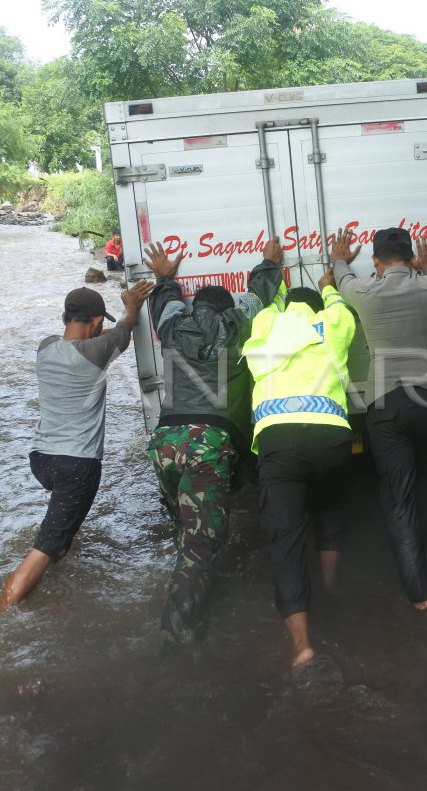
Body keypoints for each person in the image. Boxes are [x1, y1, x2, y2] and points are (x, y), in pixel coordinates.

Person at [142, 239, 283, 646]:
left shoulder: (173, 325)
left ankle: (183, 596)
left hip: (165, 442)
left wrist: (166, 276)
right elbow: (260, 294)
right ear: (227, 307)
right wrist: (269, 262)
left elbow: (162, 302)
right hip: (207, 443)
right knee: (202, 545)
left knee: (186, 530)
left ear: (193, 305)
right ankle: (175, 634)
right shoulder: (239, 324)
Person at [0, 281, 153, 615]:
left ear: (63, 316)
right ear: (96, 322)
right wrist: (130, 307)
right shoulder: (98, 351)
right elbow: (124, 328)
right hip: (77, 464)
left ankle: (59, 563)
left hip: (41, 459)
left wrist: (109, 320)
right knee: (45, 546)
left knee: (63, 532)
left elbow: (102, 335)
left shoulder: (46, 346)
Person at [331, 227, 427, 611]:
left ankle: (421, 592)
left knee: (399, 498)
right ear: (411, 256)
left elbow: (342, 278)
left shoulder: (364, 292)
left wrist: (338, 257)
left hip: (386, 406)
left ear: (376, 261)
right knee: (423, 486)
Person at [242, 261, 356, 666]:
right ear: (318, 310)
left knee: (285, 539)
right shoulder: (332, 325)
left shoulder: (267, 326)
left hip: (278, 437)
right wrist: (327, 285)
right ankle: (329, 586)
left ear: (285, 307)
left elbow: (267, 304)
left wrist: (277, 272)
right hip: (331, 434)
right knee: (330, 508)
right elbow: (340, 308)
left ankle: (302, 647)